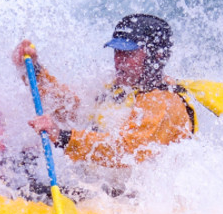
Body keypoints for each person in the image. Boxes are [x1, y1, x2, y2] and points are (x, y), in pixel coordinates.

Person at [17, 14, 197, 170]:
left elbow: (126, 150)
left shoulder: (163, 102)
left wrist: (63, 137)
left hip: (133, 199)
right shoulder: (121, 87)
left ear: (155, 56)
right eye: (117, 52)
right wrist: (35, 71)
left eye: (128, 54)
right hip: (98, 185)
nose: (118, 61)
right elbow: (72, 111)